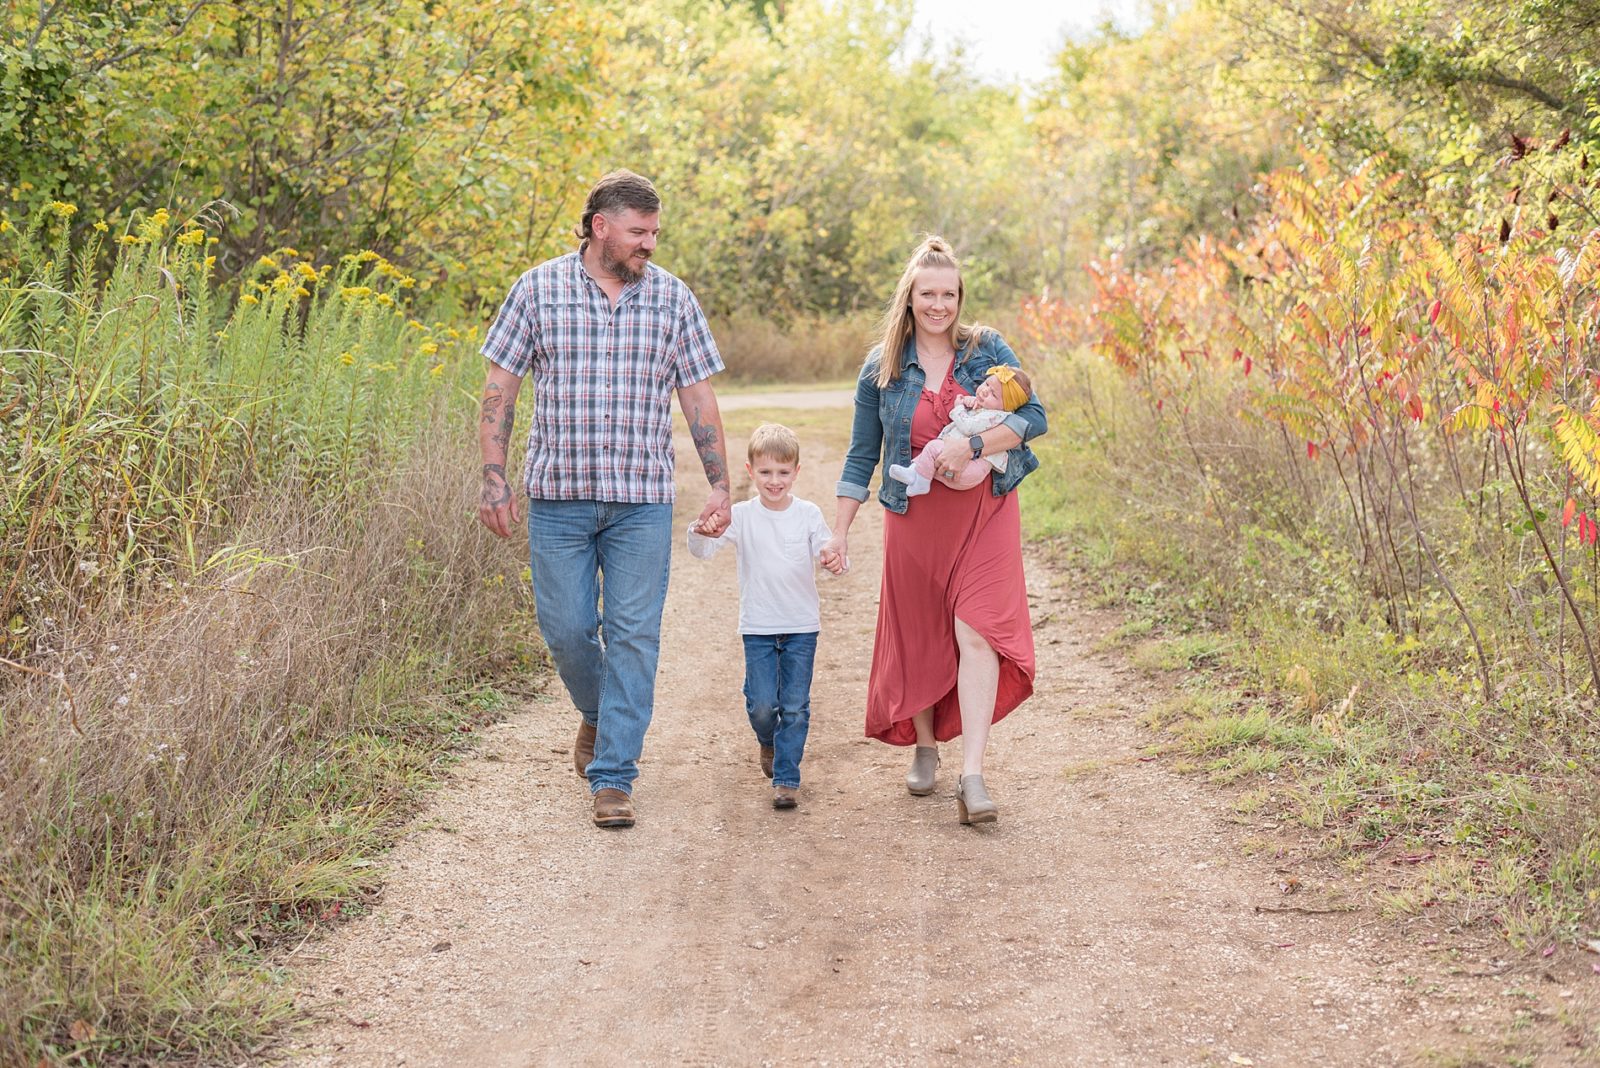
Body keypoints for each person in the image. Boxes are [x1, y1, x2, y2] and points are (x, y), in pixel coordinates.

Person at [475, 169, 732, 830]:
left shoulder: (673, 300)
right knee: (565, 632)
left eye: (654, 232)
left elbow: (698, 398)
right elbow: (500, 388)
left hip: (641, 501)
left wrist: (721, 482)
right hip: (558, 499)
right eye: (639, 231)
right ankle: (597, 712)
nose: (649, 243)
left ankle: (613, 775)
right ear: (601, 227)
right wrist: (493, 475)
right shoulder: (537, 289)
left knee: (634, 635)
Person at [818, 235, 1046, 826]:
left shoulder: (986, 348)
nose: (939, 304)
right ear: (910, 297)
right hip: (915, 518)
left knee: (976, 631)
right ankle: (925, 743)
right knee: (920, 634)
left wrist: (970, 441)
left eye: (949, 294)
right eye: (928, 294)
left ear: (960, 297)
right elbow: (860, 456)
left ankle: (972, 775)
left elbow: (1034, 418)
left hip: (984, 514)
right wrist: (840, 532)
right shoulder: (883, 367)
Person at [686, 423, 844, 809]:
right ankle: (767, 740)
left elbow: (829, 550)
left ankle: (786, 778)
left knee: (794, 704)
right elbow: (702, 552)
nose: (775, 481)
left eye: (783, 473)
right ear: (750, 471)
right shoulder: (741, 515)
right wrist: (702, 530)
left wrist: (832, 558)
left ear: (796, 472)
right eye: (766, 473)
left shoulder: (807, 514)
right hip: (758, 627)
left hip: (801, 627)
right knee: (761, 705)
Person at [887, 365, 1033, 498]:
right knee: (934, 454)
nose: (984, 391)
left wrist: (958, 408)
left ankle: (920, 481)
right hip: (969, 466)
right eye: (987, 383)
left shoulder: (995, 416)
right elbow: (979, 413)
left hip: (971, 469)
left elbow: (968, 427)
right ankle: (914, 472)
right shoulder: (990, 409)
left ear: (1006, 406)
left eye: (993, 394)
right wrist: (970, 402)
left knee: (933, 448)